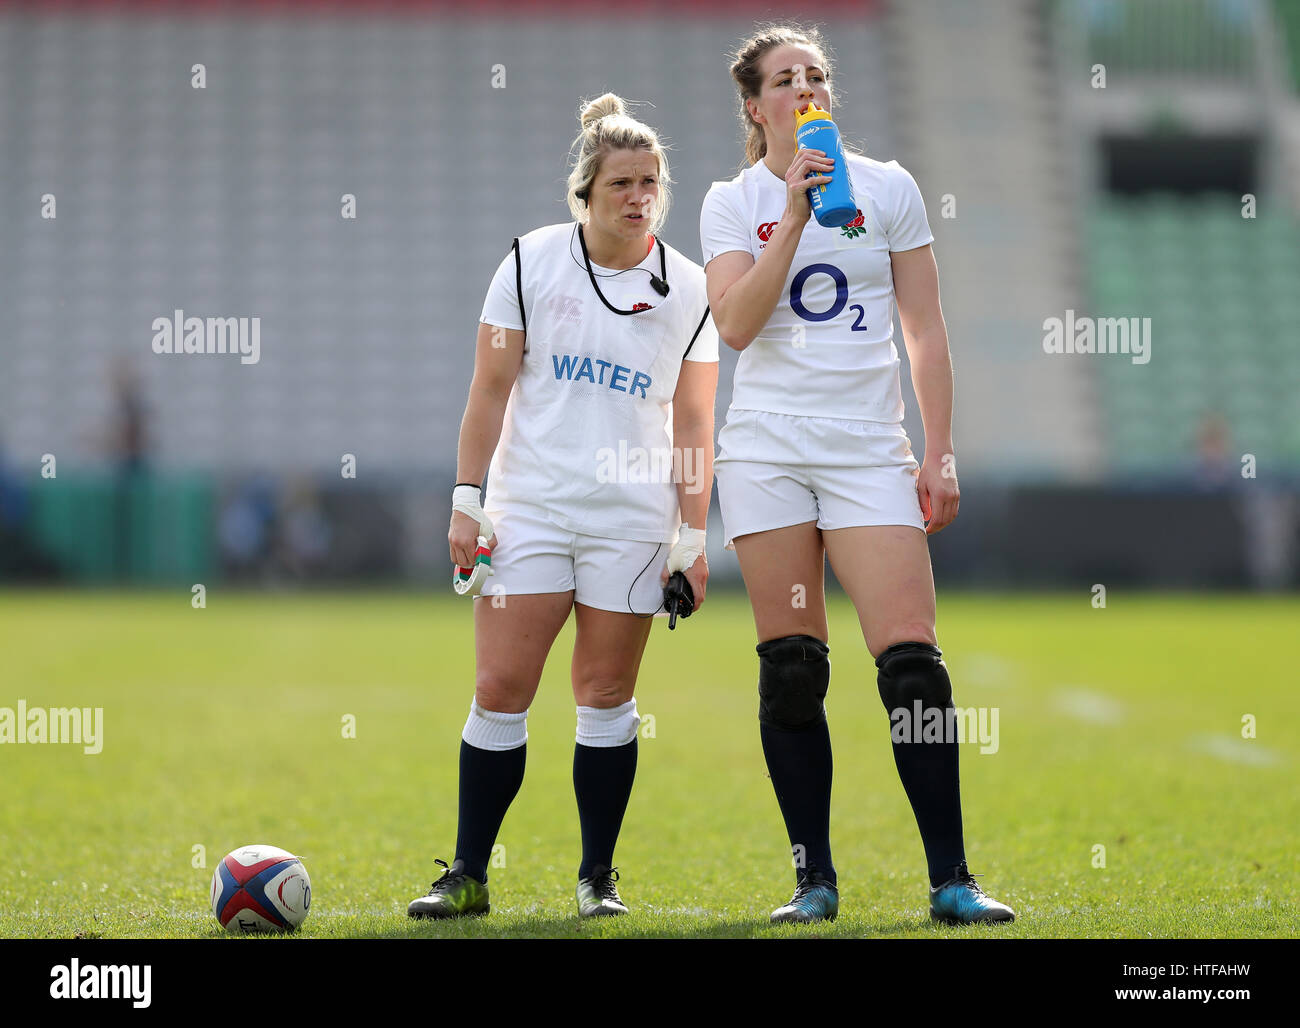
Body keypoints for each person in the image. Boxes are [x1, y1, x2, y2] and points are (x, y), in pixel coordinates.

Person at [699, 24, 1015, 926]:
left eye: (816, 75)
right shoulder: (732, 201)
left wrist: (939, 446)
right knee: (794, 668)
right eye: (784, 79)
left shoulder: (890, 187)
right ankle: (814, 881)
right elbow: (735, 326)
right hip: (765, 448)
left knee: (912, 663)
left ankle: (952, 879)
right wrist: (793, 214)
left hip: (868, 446)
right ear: (756, 107)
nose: (804, 88)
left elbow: (924, 327)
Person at [408, 93, 718, 920]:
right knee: (501, 686)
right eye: (621, 181)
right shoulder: (530, 260)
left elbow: (693, 417)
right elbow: (488, 389)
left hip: (632, 519)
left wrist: (692, 533)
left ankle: (597, 879)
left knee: (606, 693)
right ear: (585, 191)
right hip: (531, 507)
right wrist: (466, 503)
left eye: (650, 180)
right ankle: (468, 873)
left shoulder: (688, 286)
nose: (639, 194)